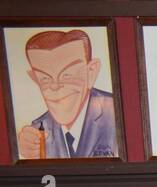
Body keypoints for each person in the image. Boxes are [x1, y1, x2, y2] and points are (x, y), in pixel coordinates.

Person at [17, 29, 117, 159]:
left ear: (91, 72)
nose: (55, 87)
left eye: (67, 75)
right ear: (35, 79)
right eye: (45, 78)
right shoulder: (39, 130)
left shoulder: (116, 114)